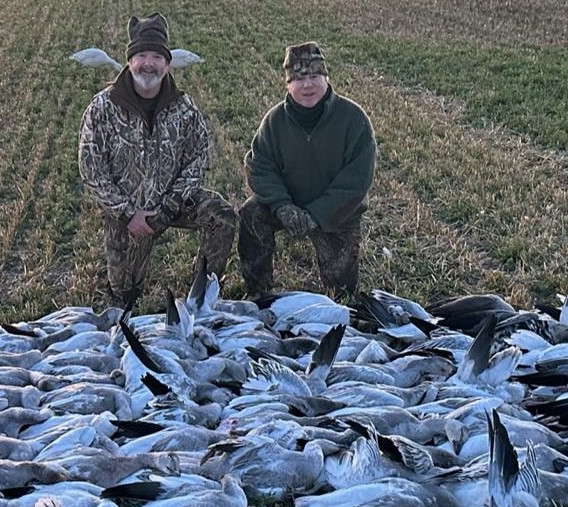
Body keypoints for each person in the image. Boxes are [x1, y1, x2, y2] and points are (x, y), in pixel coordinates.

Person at [78, 13, 235, 309]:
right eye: (141, 55)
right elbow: (92, 170)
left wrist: (170, 205)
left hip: (172, 203)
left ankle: (202, 295)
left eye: (156, 56)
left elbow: (198, 157)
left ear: (167, 63)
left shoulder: (184, 108)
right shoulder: (102, 108)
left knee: (222, 216)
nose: (148, 64)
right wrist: (128, 214)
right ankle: (124, 291)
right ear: (129, 61)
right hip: (128, 211)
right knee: (124, 297)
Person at [239, 42, 376, 300]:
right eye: (299, 79)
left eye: (314, 76)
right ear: (288, 84)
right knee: (252, 212)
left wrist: (316, 214)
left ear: (326, 78)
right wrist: (283, 206)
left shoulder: (353, 119)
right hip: (288, 205)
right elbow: (259, 166)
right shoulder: (274, 121)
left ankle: (337, 290)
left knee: (342, 296)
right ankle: (258, 292)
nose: (307, 85)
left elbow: (356, 181)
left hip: (336, 214)